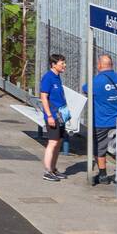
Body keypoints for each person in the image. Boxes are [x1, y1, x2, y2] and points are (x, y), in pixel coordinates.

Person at [87, 53, 117, 186]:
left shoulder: (97, 81)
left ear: (99, 65)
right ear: (111, 65)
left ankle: (103, 175)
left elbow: (86, 89)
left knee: (99, 148)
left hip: (101, 121)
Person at [39, 53, 68, 182]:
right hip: (53, 115)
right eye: (62, 63)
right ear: (53, 64)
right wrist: (49, 116)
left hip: (60, 115)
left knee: (59, 141)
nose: (64, 65)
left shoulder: (57, 77)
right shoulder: (48, 78)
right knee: (53, 142)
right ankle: (47, 171)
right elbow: (44, 97)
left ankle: (53, 168)